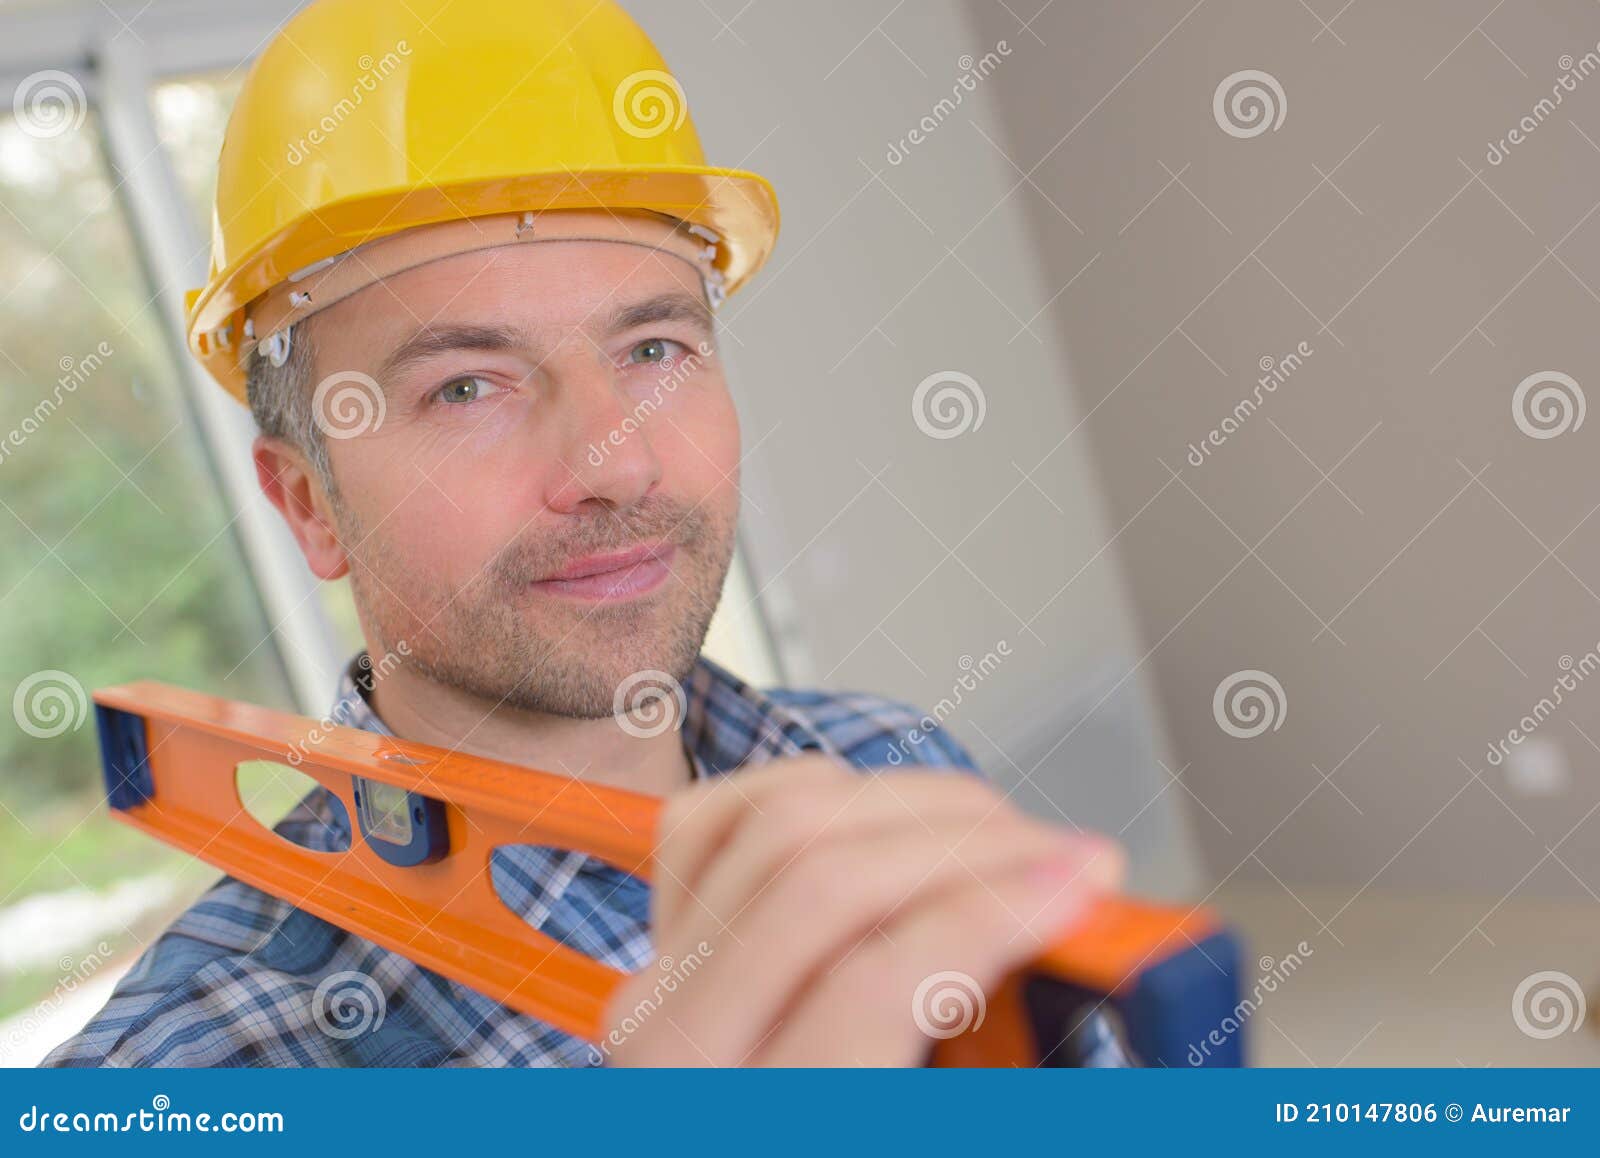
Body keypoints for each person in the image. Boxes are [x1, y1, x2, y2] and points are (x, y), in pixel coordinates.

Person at [42, 0, 1126, 1067]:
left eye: (653, 349)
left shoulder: (886, 768)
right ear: (308, 505)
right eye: (466, 385)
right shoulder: (188, 1072)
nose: (617, 461)